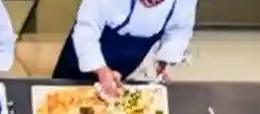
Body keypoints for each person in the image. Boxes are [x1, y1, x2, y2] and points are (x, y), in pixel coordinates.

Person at [52, 0, 198, 97]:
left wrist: (165, 60)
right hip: (79, 60)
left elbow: (179, 30)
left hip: (125, 64)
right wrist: (101, 70)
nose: (152, 3)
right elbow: (86, 29)